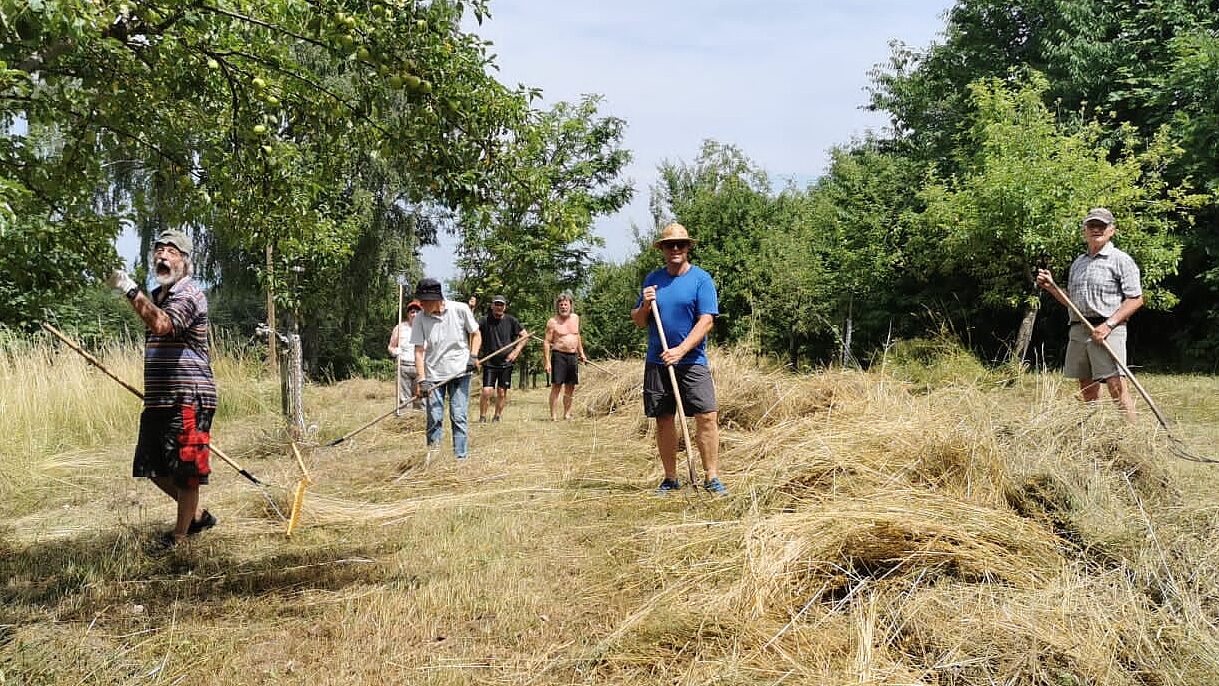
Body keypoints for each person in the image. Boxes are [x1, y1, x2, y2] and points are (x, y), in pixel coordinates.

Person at [107, 229, 218, 546]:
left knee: (187, 470)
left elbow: (162, 325)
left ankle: (181, 536)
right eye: (159, 250)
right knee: (151, 466)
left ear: (184, 261)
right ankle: (195, 516)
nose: (162, 256)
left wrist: (128, 288)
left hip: (189, 399)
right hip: (160, 400)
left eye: (171, 251)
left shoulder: (190, 294)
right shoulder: (157, 297)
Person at [630, 222, 726, 495]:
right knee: (663, 418)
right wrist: (646, 304)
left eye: (680, 245)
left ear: (687, 248)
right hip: (658, 361)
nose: (675, 249)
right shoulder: (652, 280)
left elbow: (706, 321)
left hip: (692, 361)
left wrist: (681, 350)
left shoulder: (701, 280)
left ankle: (711, 477)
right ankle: (671, 478)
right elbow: (638, 321)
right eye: (669, 245)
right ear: (661, 249)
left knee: (707, 416)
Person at [1036, 207, 1144, 421]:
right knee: (1086, 385)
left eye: (1101, 226)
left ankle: (1134, 436)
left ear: (1111, 230)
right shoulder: (1079, 263)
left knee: (1116, 385)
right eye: (1091, 226)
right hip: (1079, 329)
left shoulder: (1121, 260)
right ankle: (1093, 432)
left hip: (1108, 330)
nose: (1096, 230)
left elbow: (1136, 299)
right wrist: (1051, 287)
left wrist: (1108, 325)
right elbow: (1072, 303)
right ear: (1084, 231)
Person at [411, 278, 481, 459]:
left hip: (460, 371)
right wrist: (422, 379)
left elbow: (476, 333)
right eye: (421, 300)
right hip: (433, 375)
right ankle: (433, 459)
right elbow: (419, 351)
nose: (421, 304)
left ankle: (461, 458)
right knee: (434, 418)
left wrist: (473, 356)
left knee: (459, 416)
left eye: (425, 301)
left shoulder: (460, 309)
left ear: (437, 298)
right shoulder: (420, 318)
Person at [476, 295, 529, 423]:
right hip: (489, 362)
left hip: (506, 362)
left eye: (501, 305)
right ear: (492, 306)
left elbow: (525, 336)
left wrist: (515, 352)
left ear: (505, 307)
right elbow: (474, 334)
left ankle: (497, 416)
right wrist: (475, 356)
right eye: (496, 304)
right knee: (487, 391)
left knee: (501, 392)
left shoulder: (511, 321)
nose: (499, 307)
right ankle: (482, 417)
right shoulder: (484, 321)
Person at [543, 292, 587, 421]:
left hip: (573, 356)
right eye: (561, 305)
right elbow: (546, 342)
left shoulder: (575, 318)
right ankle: (553, 415)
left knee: (570, 386)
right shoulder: (552, 322)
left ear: (570, 305)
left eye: (565, 304)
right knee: (557, 385)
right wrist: (547, 361)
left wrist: (582, 353)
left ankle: (567, 414)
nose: (563, 307)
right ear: (558, 306)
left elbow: (577, 336)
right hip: (559, 355)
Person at [388, 300, 423, 413]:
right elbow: (391, 346)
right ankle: (405, 421)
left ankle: (420, 421)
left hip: (421, 368)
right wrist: (394, 351)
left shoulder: (425, 328)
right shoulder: (400, 328)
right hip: (403, 367)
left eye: (417, 311)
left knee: (421, 397)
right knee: (404, 399)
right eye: (412, 312)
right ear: (408, 314)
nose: (414, 314)